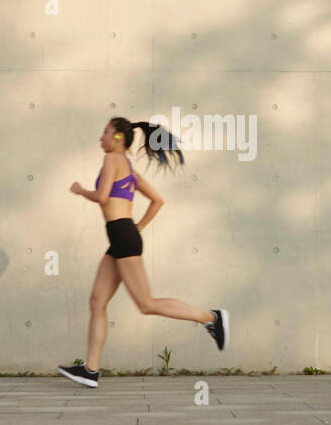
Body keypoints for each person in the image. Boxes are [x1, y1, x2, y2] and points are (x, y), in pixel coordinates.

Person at [59, 117, 229, 388]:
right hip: (121, 238)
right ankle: (90, 369)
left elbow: (102, 197)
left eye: (105, 132)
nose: (100, 137)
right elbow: (158, 200)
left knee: (146, 303)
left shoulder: (113, 160)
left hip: (123, 238)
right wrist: (137, 226)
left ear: (117, 138)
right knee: (97, 301)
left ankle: (211, 317)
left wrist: (81, 191)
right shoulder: (127, 167)